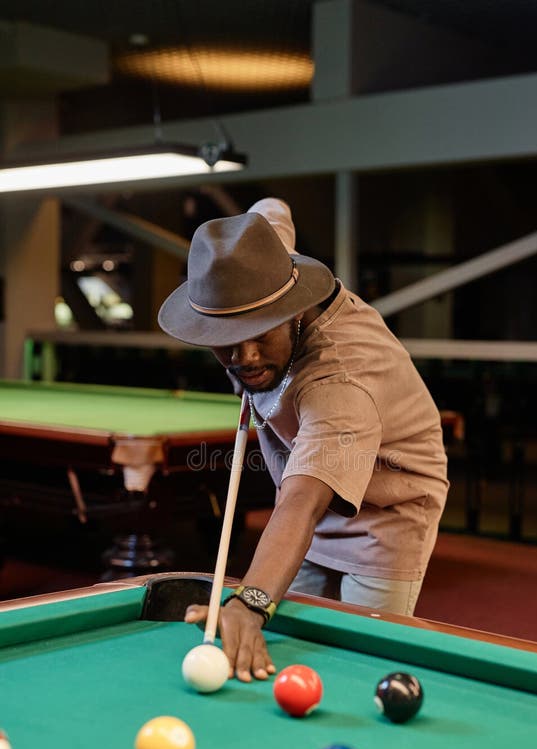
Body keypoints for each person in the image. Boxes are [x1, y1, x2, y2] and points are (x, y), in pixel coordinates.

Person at [158, 198, 448, 682]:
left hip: (388, 514)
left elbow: (300, 504)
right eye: (225, 336)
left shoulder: (340, 379)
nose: (245, 355)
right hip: (310, 518)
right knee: (292, 647)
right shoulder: (264, 269)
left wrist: (249, 601)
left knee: (358, 669)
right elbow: (273, 211)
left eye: (259, 334)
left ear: (290, 308)